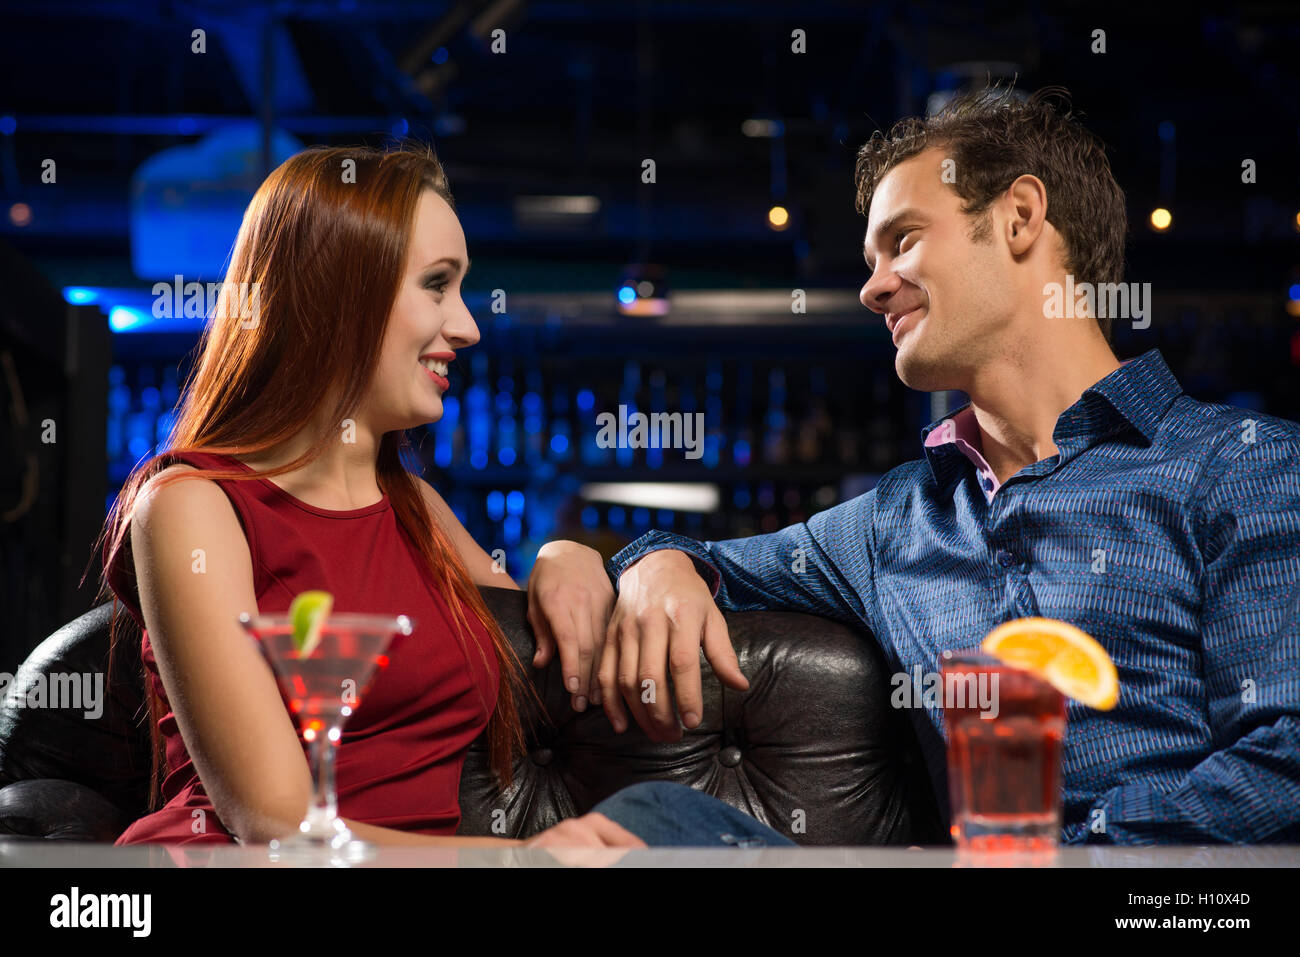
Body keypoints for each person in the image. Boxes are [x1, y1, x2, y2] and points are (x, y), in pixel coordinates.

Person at [529, 86, 1300, 845]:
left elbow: (1285, 760)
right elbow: (705, 562)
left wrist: (1064, 855)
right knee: (648, 823)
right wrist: (648, 562)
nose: (871, 287)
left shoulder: (1241, 466)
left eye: (902, 240)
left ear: (1019, 218)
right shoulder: (896, 519)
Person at [94, 143, 791, 850]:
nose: (467, 326)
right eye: (437, 285)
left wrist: (567, 554)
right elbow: (275, 822)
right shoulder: (192, 504)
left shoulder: (415, 509)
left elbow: (540, 639)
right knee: (667, 825)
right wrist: (528, 860)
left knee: (671, 821)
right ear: (338, 293)